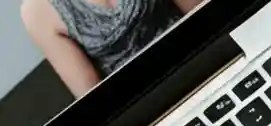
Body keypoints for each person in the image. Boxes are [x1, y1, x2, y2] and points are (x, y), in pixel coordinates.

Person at [20, 0, 206, 99]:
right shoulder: (37, 11)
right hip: (139, 103)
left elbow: (203, 15)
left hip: (196, 62)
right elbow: (93, 99)